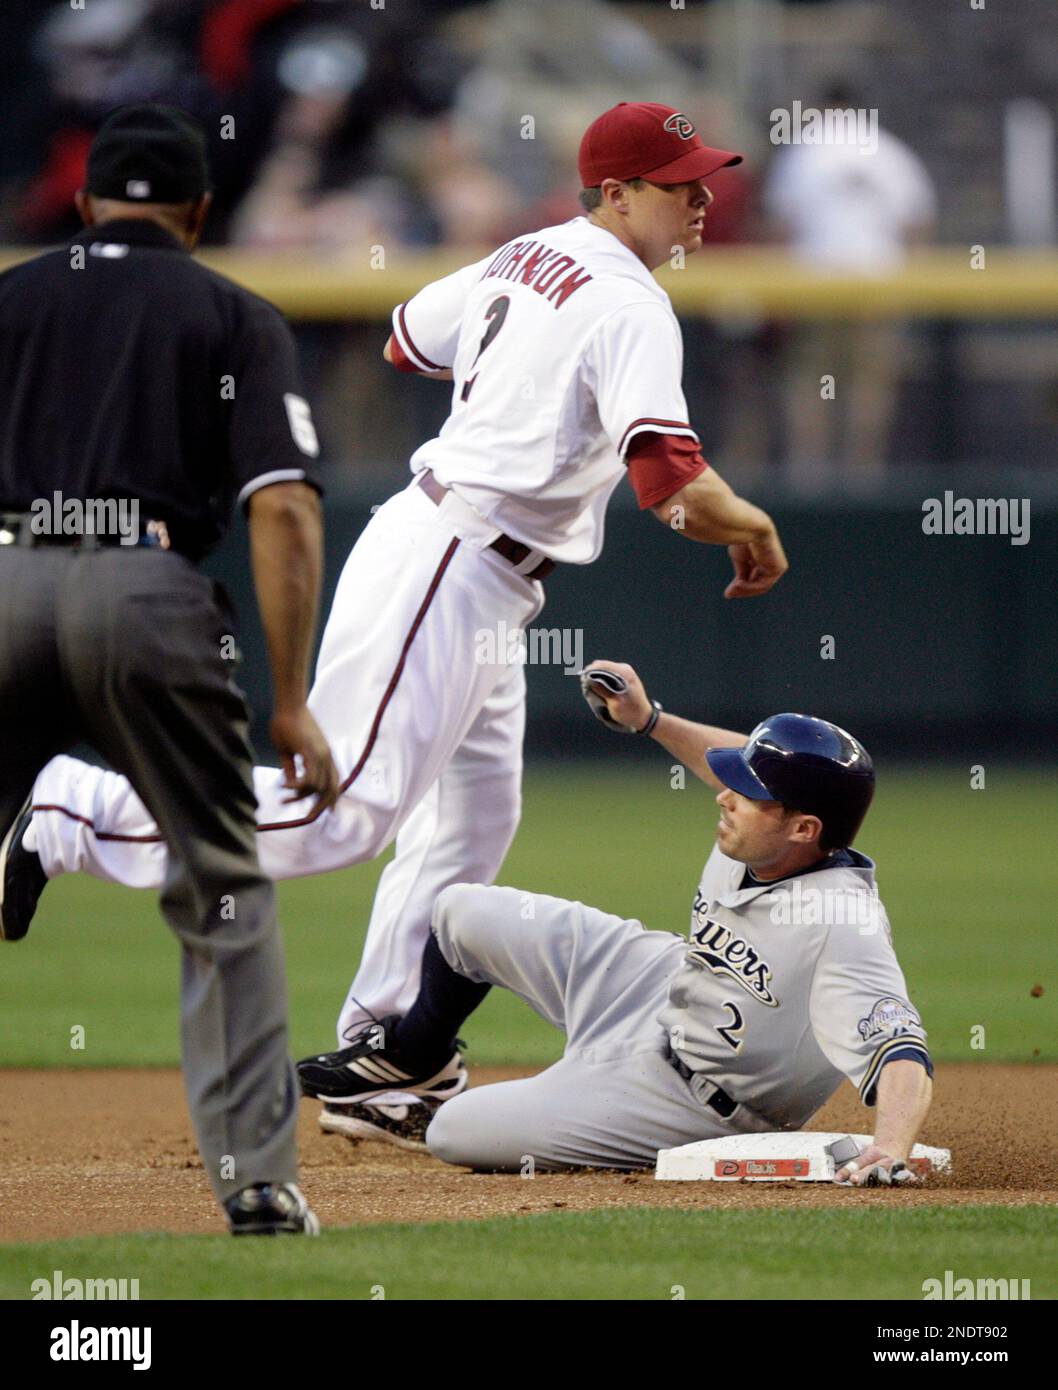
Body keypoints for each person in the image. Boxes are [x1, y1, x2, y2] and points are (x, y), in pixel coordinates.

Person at [7, 101, 788, 1150]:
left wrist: (519, 377)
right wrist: (752, 524)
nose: (700, 198)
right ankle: (70, 810)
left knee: (471, 819)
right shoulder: (632, 303)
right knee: (337, 815)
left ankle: (391, 1052)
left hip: (473, 562)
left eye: (701, 177)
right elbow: (669, 487)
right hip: (451, 558)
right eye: (676, 181)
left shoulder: (528, 254)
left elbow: (407, 336)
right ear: (614, 193)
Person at [0, 105, 339, 1234]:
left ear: (87, 201)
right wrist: (288, 700)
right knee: (220, 884)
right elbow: (282, 508)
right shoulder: (231, 312)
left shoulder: (11, 296)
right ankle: (255, 1182)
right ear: (199, 213)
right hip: (139, 590)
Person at [300, 662, 933, 1186]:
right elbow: (727, 760)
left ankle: (517, 1096)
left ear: (803, 829)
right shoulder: (769, 832)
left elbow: (901, 1047)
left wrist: (893, 1149)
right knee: (460, 910)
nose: (724, 793)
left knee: (453, 1131)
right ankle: (415, 1061)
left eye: (746, 789)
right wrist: (649, 719)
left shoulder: (842, 920)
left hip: (698, 1105)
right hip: (658, 986)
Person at [763, 84, 937, 488]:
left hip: (814, 283)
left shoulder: (804, 149)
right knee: (867, 382)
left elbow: (779, 226)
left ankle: (809, 475)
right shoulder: (887, 149)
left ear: (822, 108)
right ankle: (863, 476)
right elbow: (917, 224)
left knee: (811, 378)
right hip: (876, 282)